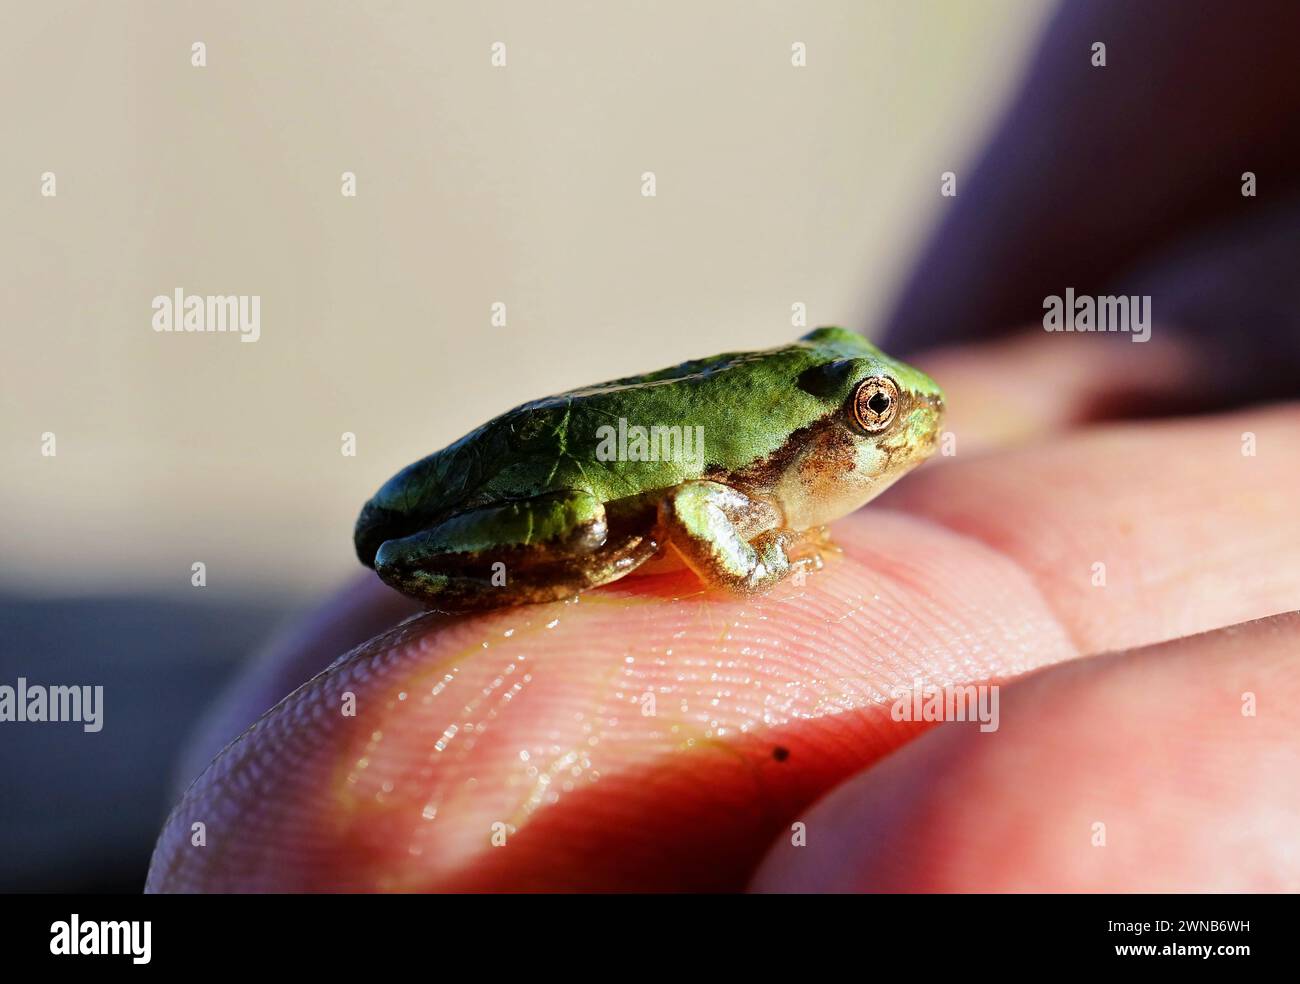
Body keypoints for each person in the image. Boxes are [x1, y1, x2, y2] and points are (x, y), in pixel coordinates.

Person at [150, 0, 1300, 892]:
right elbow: (697, 510)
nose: (893, 422)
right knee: (592, 523)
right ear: (821, 432)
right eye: (869, 415)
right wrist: (760, 565)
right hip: (557, 497)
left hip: (510, 458)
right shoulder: (742, 467)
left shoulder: (791, 418)